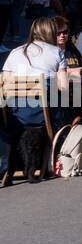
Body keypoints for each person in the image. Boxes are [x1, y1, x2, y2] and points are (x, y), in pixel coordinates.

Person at [2, 17, 69, 181]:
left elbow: (4, 83)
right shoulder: (56, 52)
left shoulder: (15, 52)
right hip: (42, 114)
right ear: (51, 32)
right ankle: (53, 159)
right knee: (66, 107)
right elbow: (64, 87)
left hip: (15, 114)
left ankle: (14, 165)